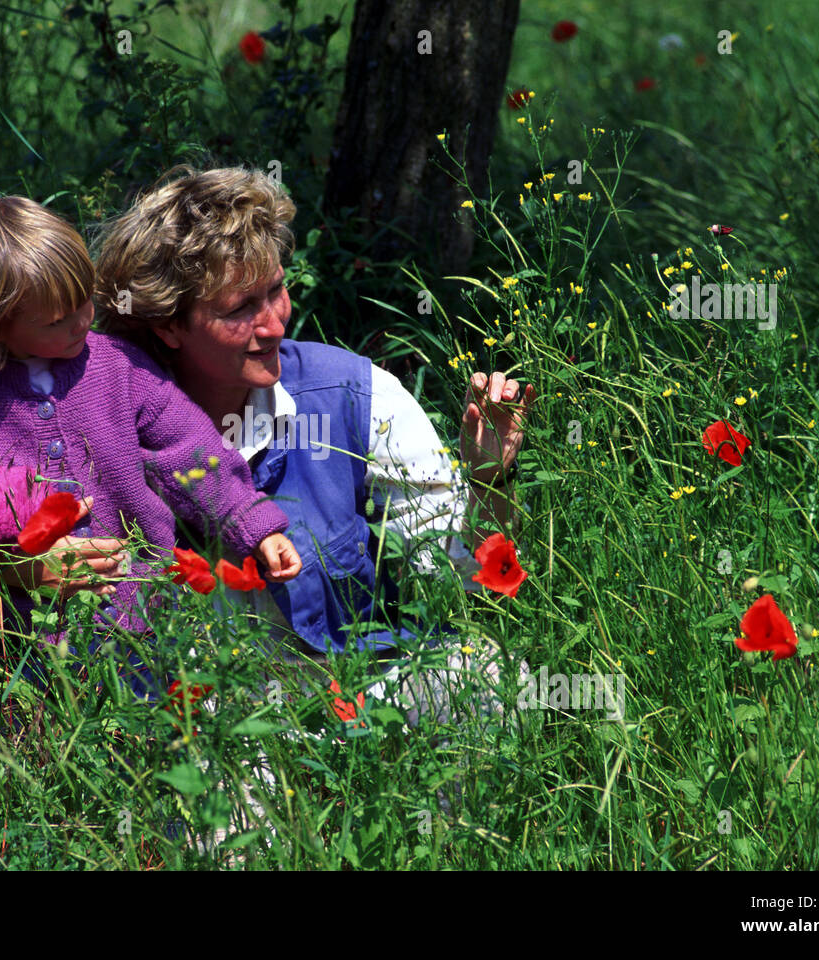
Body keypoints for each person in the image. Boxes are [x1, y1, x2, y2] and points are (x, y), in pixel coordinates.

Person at [77, 164, 537, 734]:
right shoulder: (106, 432)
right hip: (211, 729)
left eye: (276, 289)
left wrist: (491, 474)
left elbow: (464, 584)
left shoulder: (352, 395)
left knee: (492, 682)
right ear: (169, 325)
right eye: (240, 308)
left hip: (361, 700)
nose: (272, 324)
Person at [0, 194, 301, 697]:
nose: (83, 320)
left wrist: (252, 525)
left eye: (85, 299)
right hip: (13, 636)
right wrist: (2, 560)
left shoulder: (119, 370)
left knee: (149, 743)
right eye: (57, 319)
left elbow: (190, 451)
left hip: (141, 621)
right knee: (34, 751)